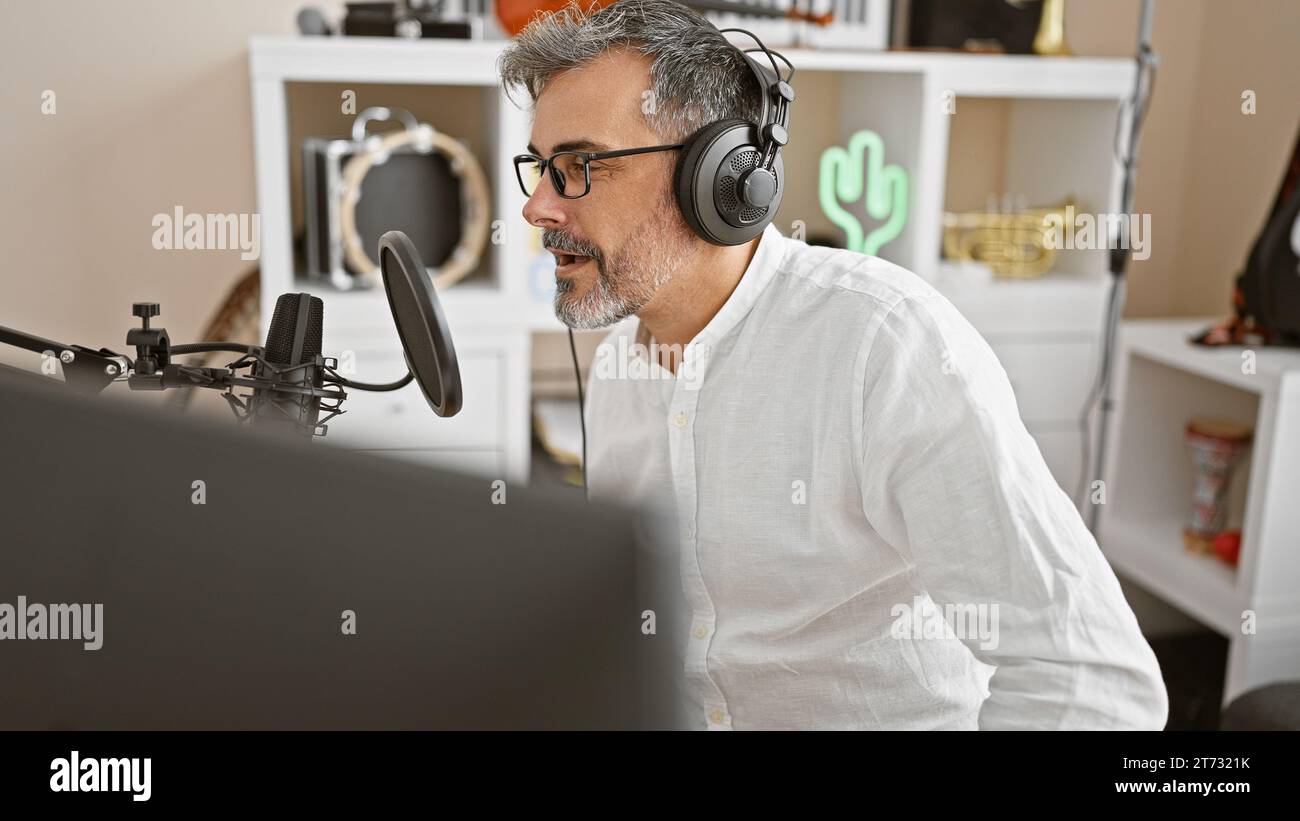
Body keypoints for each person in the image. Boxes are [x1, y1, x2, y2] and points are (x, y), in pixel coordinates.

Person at [499, 0, 1168, 730]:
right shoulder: (618, 373)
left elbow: (1096, 684)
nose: (536, 208)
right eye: (539, 168)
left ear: (717, 178)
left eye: (578, 167)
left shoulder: (888, 348)